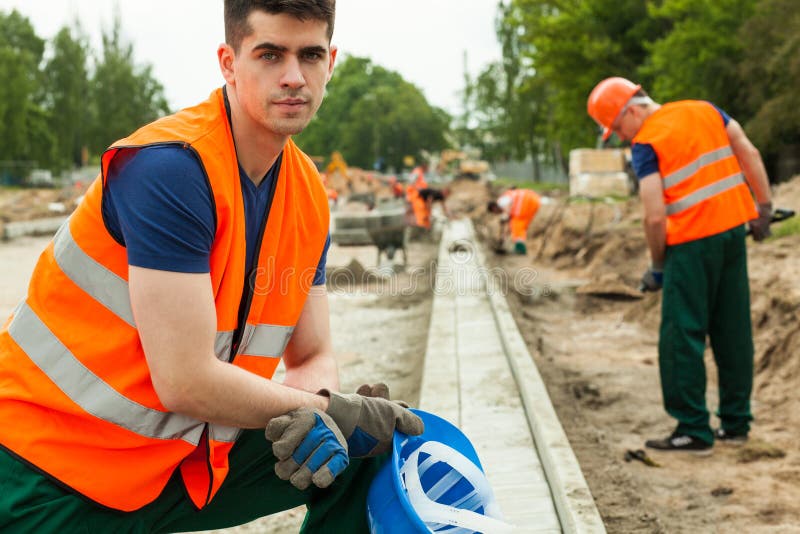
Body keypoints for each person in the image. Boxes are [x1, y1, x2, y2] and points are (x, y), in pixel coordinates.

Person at [0, 1, 423, 532]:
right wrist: (327, 409)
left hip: (178, 462)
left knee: (369, 451)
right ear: (228, 61)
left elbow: (313, 353)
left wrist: (324, 413)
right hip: (50, 474)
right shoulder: (169, 169)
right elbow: (185, 380)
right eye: (270, 54)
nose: (294, 77)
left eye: (310, 55)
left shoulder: (308, 195)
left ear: (331, 62)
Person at [587, 76, 773, 454]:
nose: (622, 137)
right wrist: (763, 208)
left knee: (680, 337)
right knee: (733, 331)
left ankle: (693, 430)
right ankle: (736, 424)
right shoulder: (707, 111)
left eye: (619, 128)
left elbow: (654, 216)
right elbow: (749, 154)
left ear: (632, 111)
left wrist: (657, 266)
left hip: (689, 247)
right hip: (732, 237)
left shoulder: (646, 143)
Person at [487, 187, 541, 254]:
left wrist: (506, 216)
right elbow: (510, 227)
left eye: (494, 212)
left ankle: (520, 249)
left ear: (494, 208)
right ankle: (520, 247)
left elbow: (508, 204)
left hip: (527, 201)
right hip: (534, 201)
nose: (496, 214)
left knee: (516, 226)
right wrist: (504, 236)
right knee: (520, 227)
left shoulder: (501, 201)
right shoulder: (510, 211)